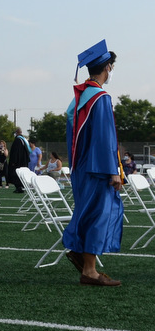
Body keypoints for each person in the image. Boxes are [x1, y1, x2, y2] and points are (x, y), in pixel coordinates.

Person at [62, 40, 123, 286]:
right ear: (107, 67)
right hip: (98, 168)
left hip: (81, 167)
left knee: (86, 213)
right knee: (98, 215)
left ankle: (83, 257)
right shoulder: (101, 98)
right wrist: (113, 170)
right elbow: (104, 137)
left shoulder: (79, 97)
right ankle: (89, 271)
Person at [9, 127, 31, 192]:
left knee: (16, 174)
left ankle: (19, 187)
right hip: (24, 161)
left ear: (17, 133)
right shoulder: (24, 140)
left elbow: (15, 151)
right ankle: (23, 186)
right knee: (23, 174)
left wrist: (13, 161)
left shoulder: (18, 140)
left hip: (18, 162)